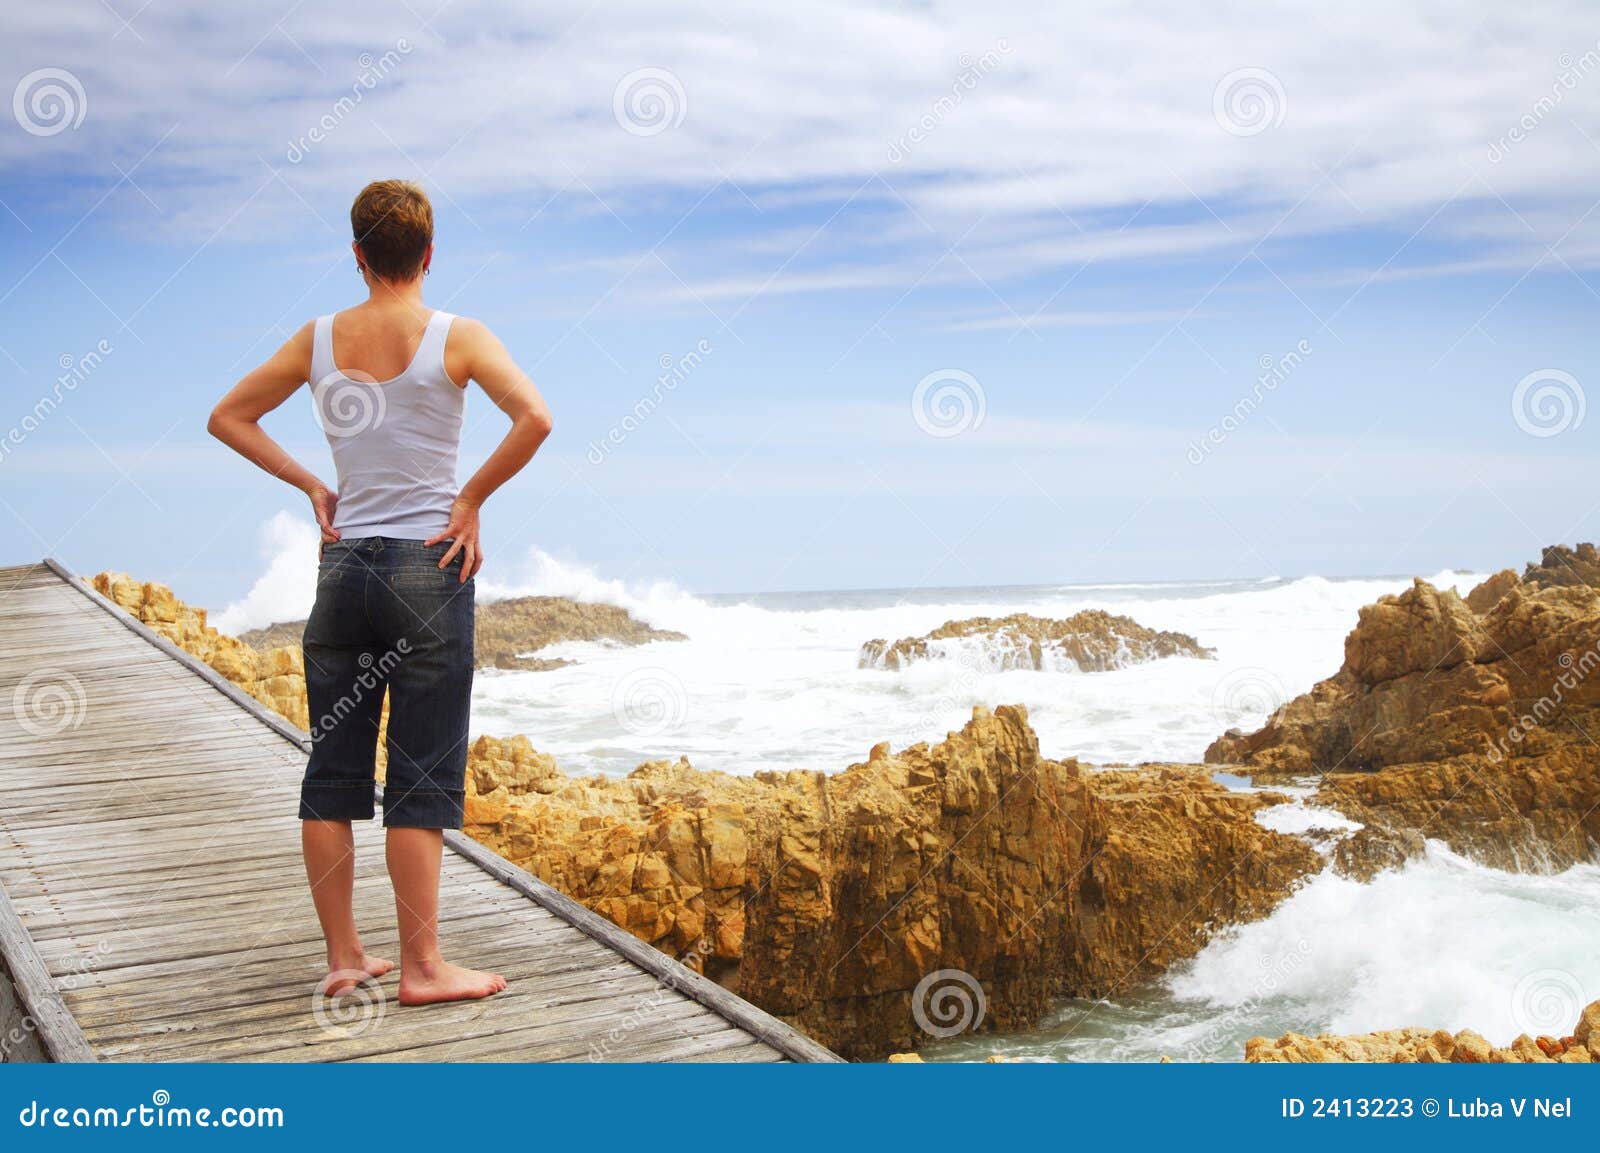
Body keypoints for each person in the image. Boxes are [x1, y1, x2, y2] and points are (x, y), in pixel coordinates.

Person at [208, 179, 553, 1005]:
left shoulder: (319, 338)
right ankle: (424, 968)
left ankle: (343, 957)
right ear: (428, 255)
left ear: (357, 254)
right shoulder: (457, 337)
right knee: (421, 772)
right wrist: (468, 502)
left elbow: (229, 416)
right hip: (426, 569)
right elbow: (534, 417)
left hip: (344, 571)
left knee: (331, 770)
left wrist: (313, 488)